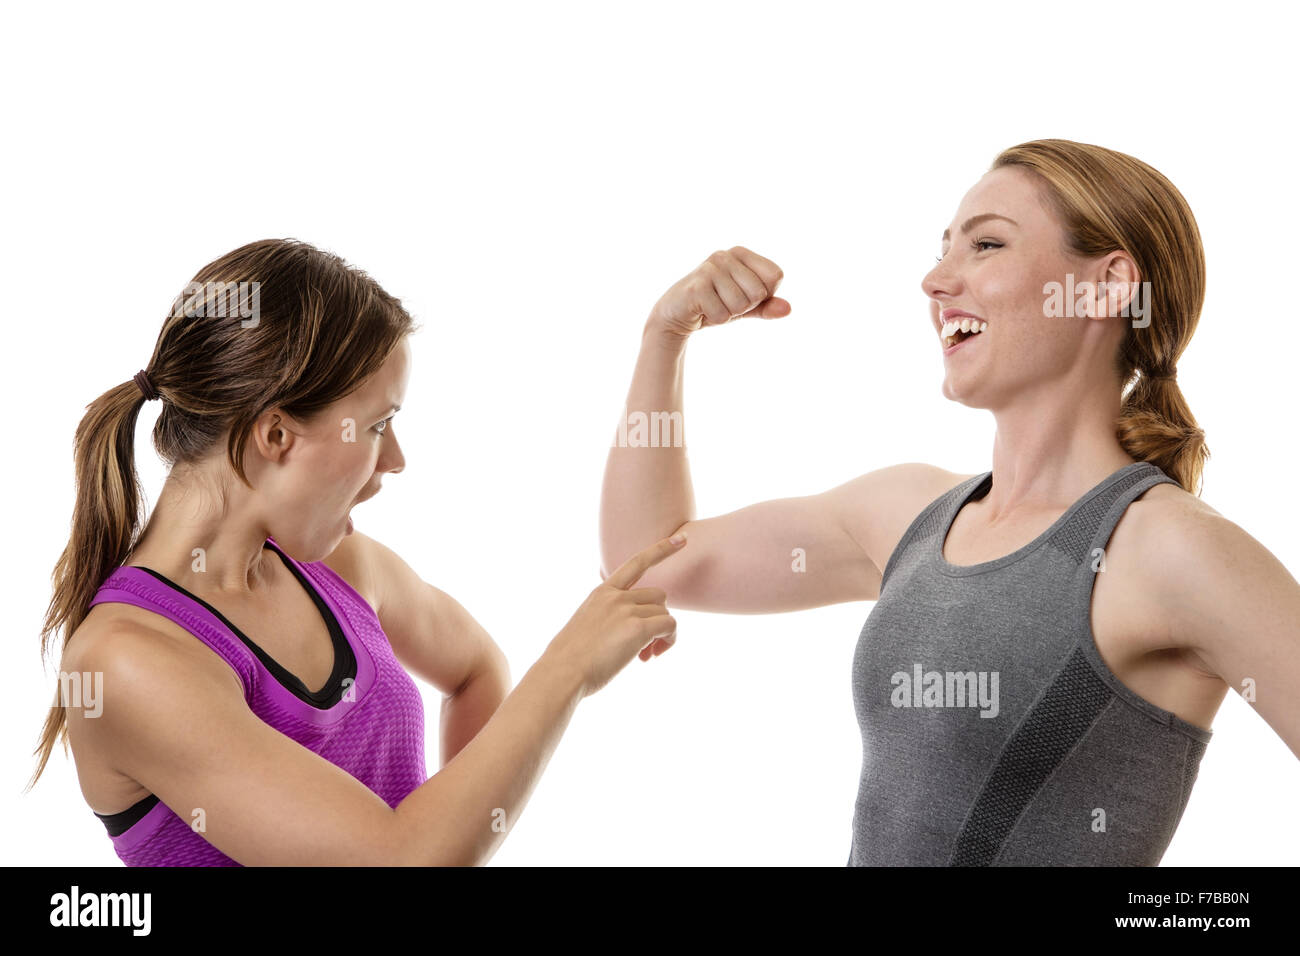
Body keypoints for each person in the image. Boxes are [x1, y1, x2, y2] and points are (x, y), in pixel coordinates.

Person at [599, 138, 1300, 865]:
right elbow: (644, 564)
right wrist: (665, 335)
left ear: (1106, 284)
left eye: (986, 245)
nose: (936, 280)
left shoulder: (1170, 549)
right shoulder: (908, 513)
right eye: (943, 250)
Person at [30, 238, 683, 866]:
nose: (394, 461)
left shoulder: (341, 568)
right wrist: (568, 667)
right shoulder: (127, 662)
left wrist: (460, 835)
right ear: (277, 433)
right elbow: (396, 859)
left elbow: (476, 668)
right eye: (377, 426)